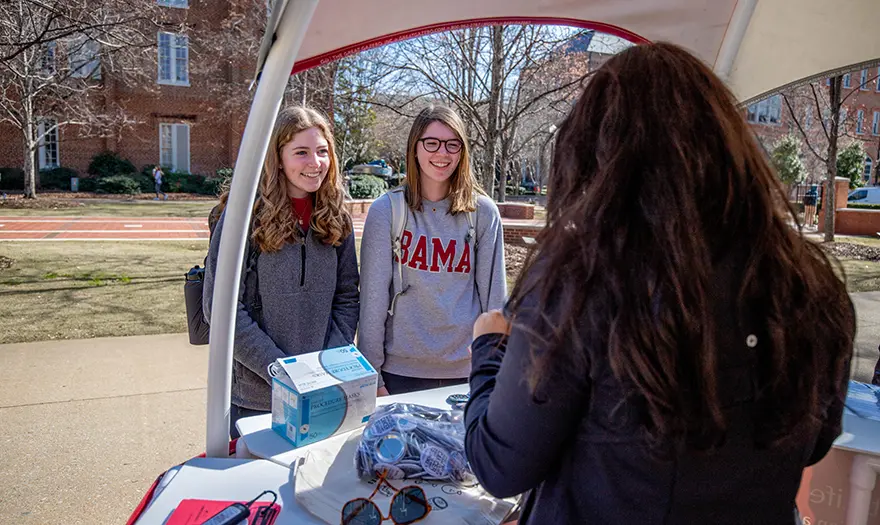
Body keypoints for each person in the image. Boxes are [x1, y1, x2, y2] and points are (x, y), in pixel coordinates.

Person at [464, 42, 855, 524]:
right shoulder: (808, 283)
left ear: (594, 152)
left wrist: (488, 348)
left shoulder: (585, 280)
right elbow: (815, 440)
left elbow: (499, 463)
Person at [203, 106, 359, 437]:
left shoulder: (337, 218)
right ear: (277, 156)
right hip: (257, 398)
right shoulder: (242, 217)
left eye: (322, 152)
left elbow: (347, 296)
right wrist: (281, 372)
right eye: (301, 152)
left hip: (320, 391)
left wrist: (326, 363)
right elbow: (221, 309)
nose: (314, 163)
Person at [359, 104, 507, 396]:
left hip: (466, 373)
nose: (442, 153)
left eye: (453, 145)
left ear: (462, 152)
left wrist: (492, 372)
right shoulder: (387, 211)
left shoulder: (483, 213)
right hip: (399, 373)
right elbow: (372, 303)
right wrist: (372, 378)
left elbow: (496, 301)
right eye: (432, 143)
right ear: (414, 148)